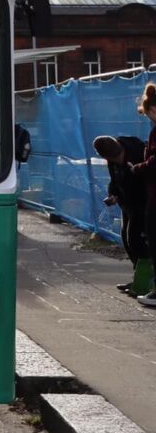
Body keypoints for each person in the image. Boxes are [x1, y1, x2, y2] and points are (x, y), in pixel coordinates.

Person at [108, 83, 156, 306]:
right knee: (133, 237)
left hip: (149, 196)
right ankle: (142, 280)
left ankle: (149, 285)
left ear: (152, 109)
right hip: (140, 199)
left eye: (148, 114)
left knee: (146, 239)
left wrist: (137, 168)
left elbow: (153, 162)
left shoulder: (150, 137)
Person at [94, 134, 149, 295]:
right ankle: (139, 277)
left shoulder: (139, 153)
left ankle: (146, 281)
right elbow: (114, 180)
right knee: (127, 238)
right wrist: (113, 194)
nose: (117, 163)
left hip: (143, 203)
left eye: (118, 159)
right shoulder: (112, 158)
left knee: (137, 240)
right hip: (128, 203)